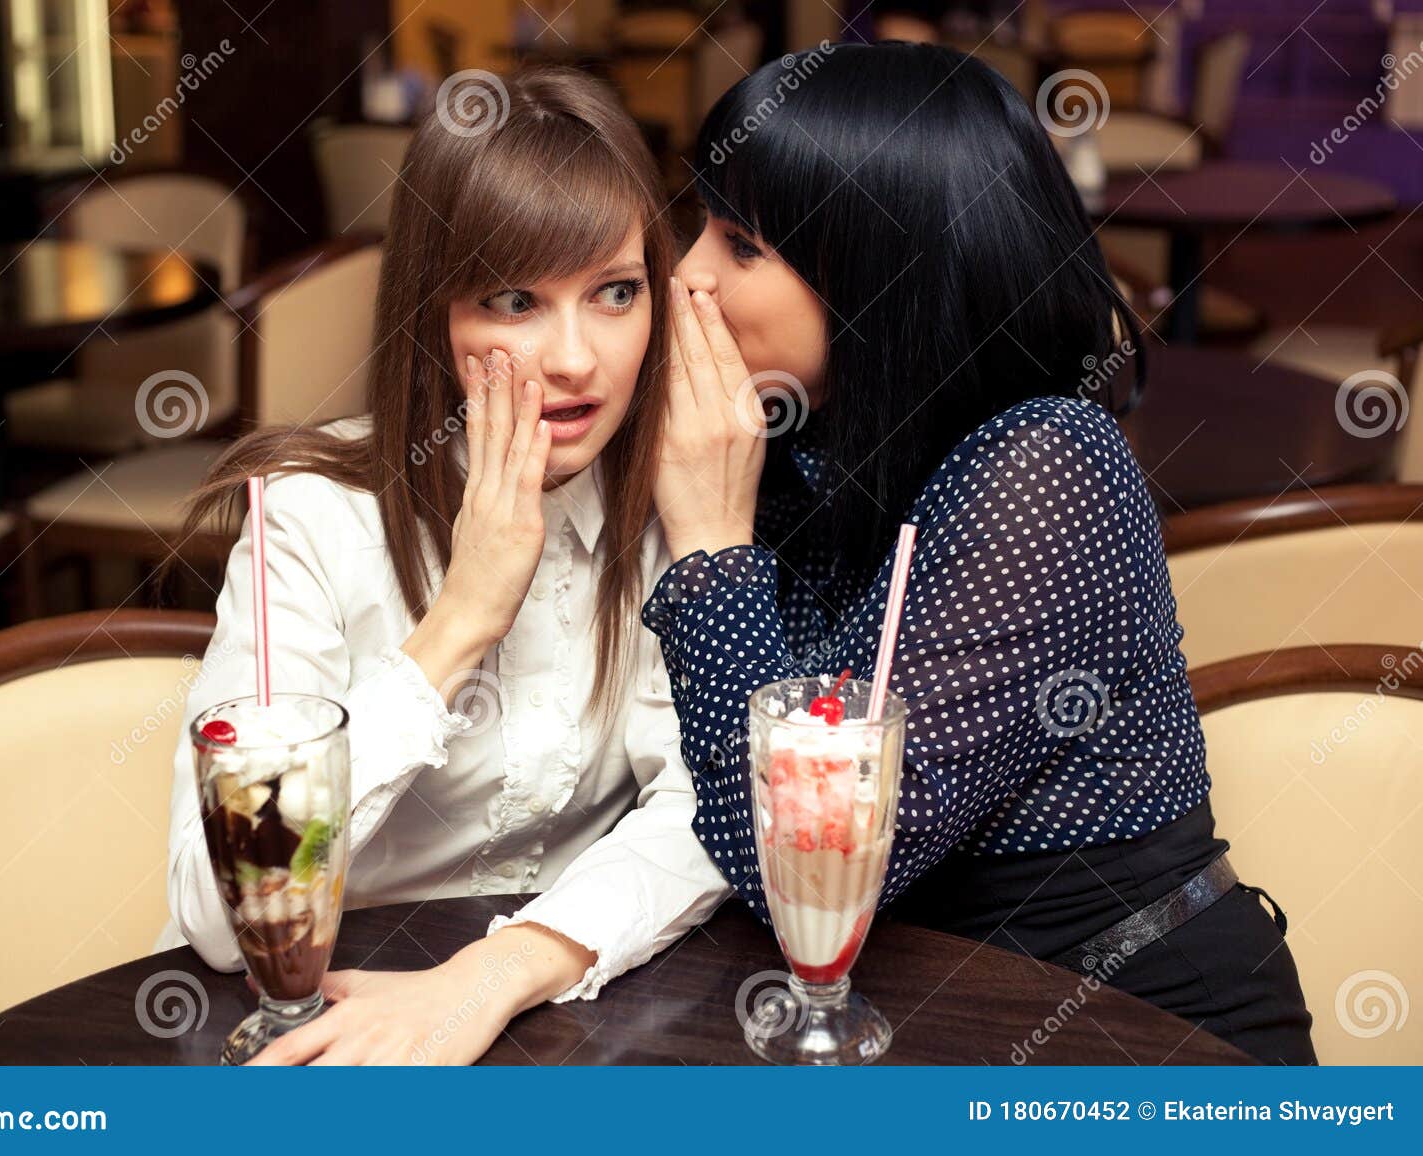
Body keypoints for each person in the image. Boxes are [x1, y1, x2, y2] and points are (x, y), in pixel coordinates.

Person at [648, 40, 1315, 1064]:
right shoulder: (811, 443)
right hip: (926, 1010)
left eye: (738, 243)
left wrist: (704, 547)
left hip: (1129, 1025)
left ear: (885, 274)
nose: (685, 272)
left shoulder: (1047, 466)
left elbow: (795, 866)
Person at [162, 67, 727, 1065]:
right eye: (513, 300)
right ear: (436, 315)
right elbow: (216, 913)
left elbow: (701, 809)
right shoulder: (309, 517)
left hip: (551, 1016)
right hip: (315, 1025)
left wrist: (499, 973)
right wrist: (459, 620)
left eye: (614, 293)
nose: (575, 359)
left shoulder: (662, 504)